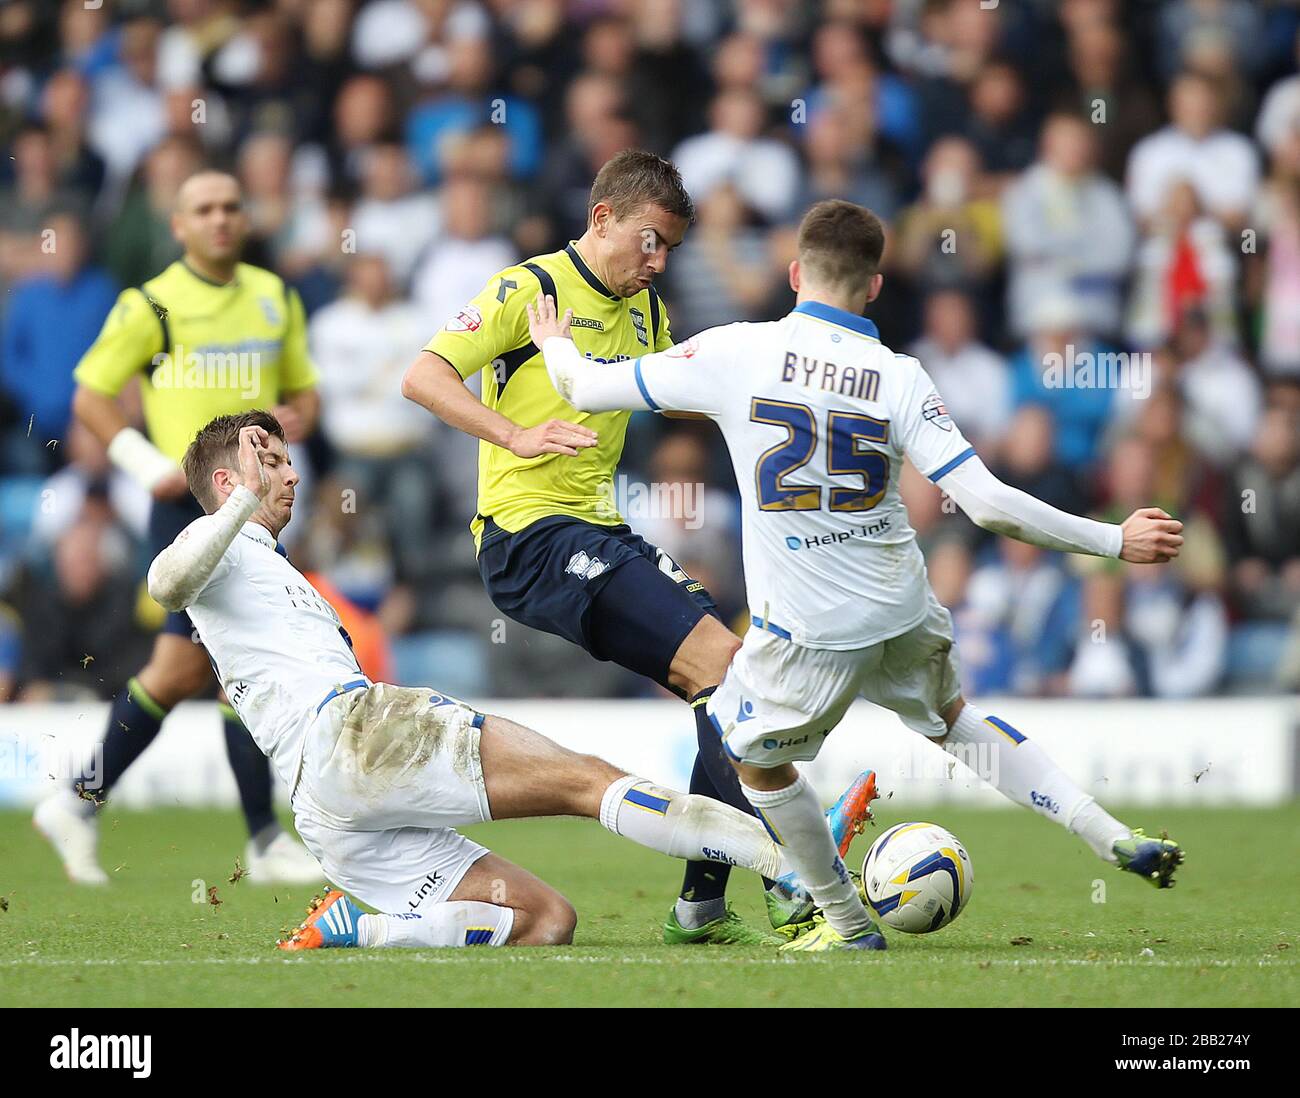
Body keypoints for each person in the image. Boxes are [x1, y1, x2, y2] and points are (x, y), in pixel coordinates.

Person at [532, 199, 1187, 953]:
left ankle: (845, 923)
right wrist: (1115, 538)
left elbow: (584, 388)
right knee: (954, 722)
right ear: (874, 287)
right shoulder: (900, 376)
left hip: (807, 626)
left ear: (792, 273)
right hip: (903, 606)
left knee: (753, 762)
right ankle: (1104, 834)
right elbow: (990, 506)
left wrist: (555, 343)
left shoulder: (736, 351)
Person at [401, 149, 874, 944]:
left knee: (726, 687)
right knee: (726, 671)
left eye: (671, 250)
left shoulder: (648, 314)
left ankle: (701, 906)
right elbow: (422, 377)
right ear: (603, 219)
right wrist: (513, 433)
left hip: (601, 529)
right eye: (649, 241)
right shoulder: (533, 290)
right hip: (529, 537)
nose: (657, 263)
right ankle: (790, 869)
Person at [152, 411, 812, 951]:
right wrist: (239, 498)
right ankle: (786, 858)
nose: (292, 474)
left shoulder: (265, 567)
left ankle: (361, 930)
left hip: (325, 807)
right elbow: (165, 585)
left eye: (287, 460)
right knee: (586, 781)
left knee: (545, 922)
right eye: (271, 463)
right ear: (226, 479)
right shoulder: (220, 546)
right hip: (356, 738)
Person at [33, 170, 322, 886]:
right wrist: (145, 464)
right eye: (204, 209)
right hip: (186, 503)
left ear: (245, 217)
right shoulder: (152, 303)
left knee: (209, 668)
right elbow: (91, 396)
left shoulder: (273, 296)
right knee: (206, 667)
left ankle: (85, 803)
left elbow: (305, 396)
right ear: (180, 225)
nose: (221, 218)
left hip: (256, 503)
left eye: (231, 206)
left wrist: (277, 443)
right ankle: (252, 838)